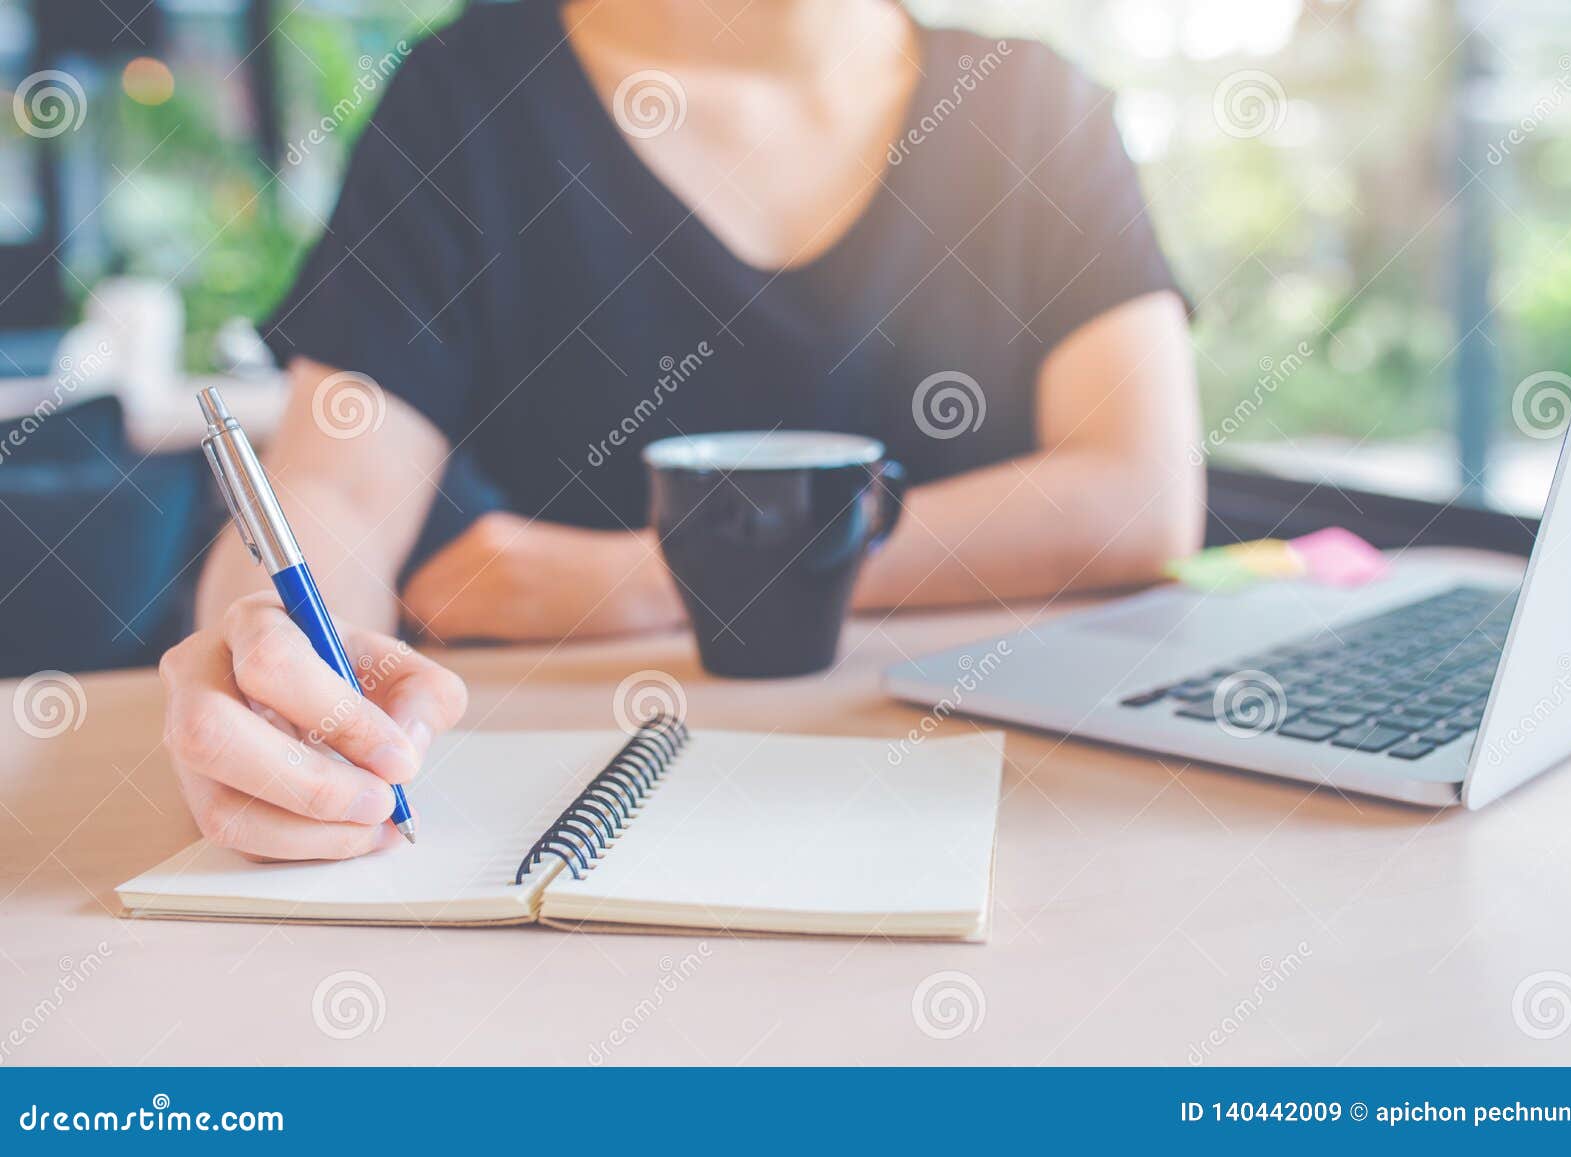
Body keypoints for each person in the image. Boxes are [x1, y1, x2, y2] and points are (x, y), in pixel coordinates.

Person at [159, 0, 1201, 861]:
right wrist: (265, 651)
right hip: (560, 827)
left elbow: (1138, 495)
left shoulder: (1032, 108)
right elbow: (332, 496)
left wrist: (666, 575)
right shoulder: (465, 97)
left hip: (1017, 812)